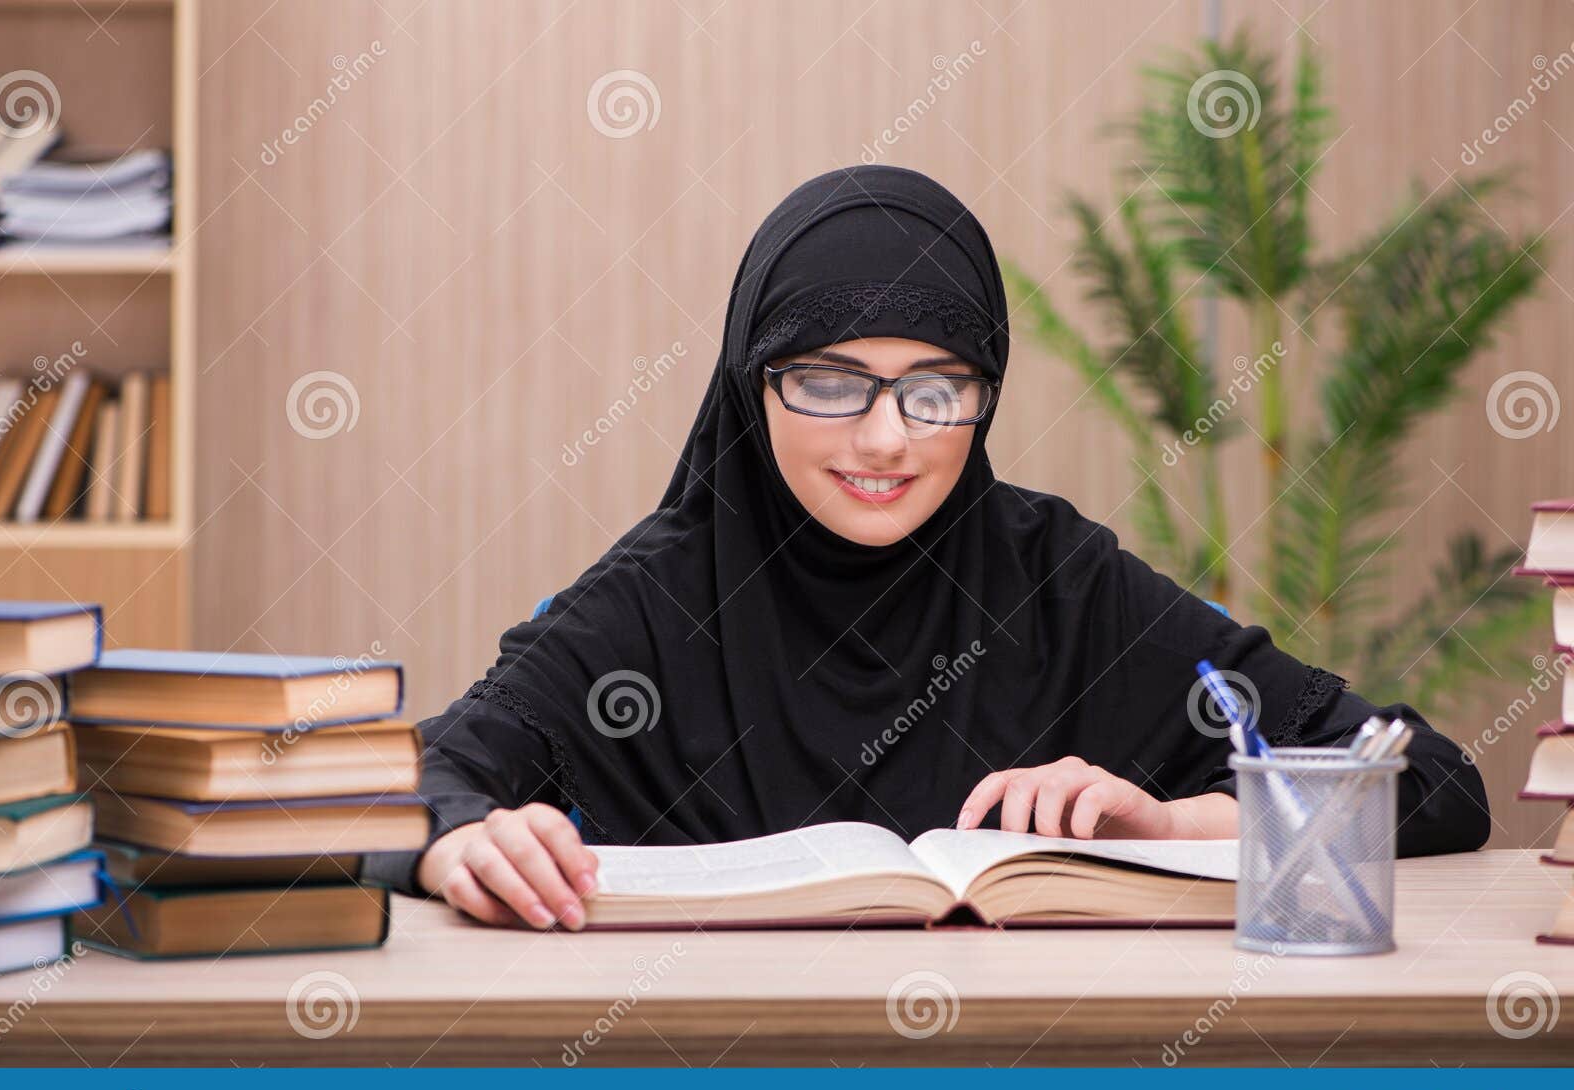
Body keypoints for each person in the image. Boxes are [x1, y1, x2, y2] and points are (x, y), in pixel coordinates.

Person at [362, 165, 1489, 931]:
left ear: (984, 394)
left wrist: (1166, 821)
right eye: (828, 380)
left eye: (936, 388)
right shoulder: (652, 604)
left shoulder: (1062, 583)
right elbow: (405, 787)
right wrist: (455, 842)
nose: (886, 437)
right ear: (753, 384)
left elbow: (1433, 784)